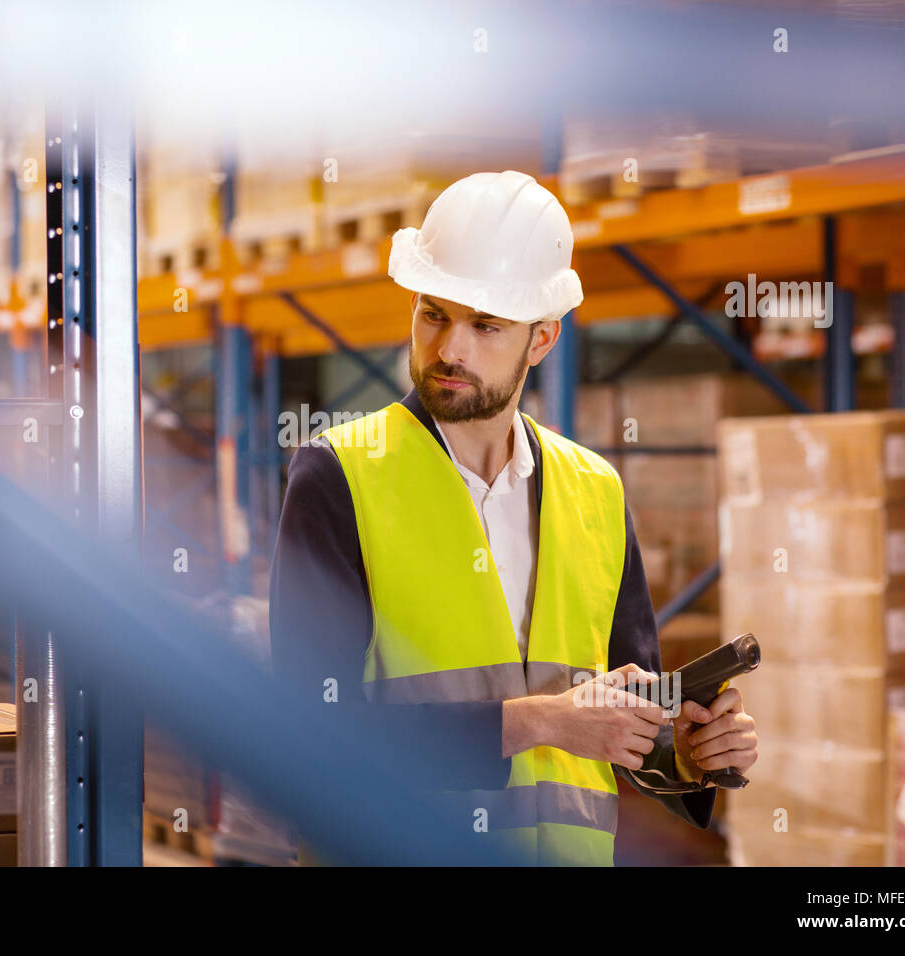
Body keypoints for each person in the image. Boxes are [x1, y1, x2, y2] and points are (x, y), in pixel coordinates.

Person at [269, 170, 758, 866]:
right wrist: (535, 722)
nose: (449, 349)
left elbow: (632, 725)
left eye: (486, 325)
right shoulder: (339, 475)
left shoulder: (595, 492)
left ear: (542, 340)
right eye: (433, 313)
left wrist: (687, 750)